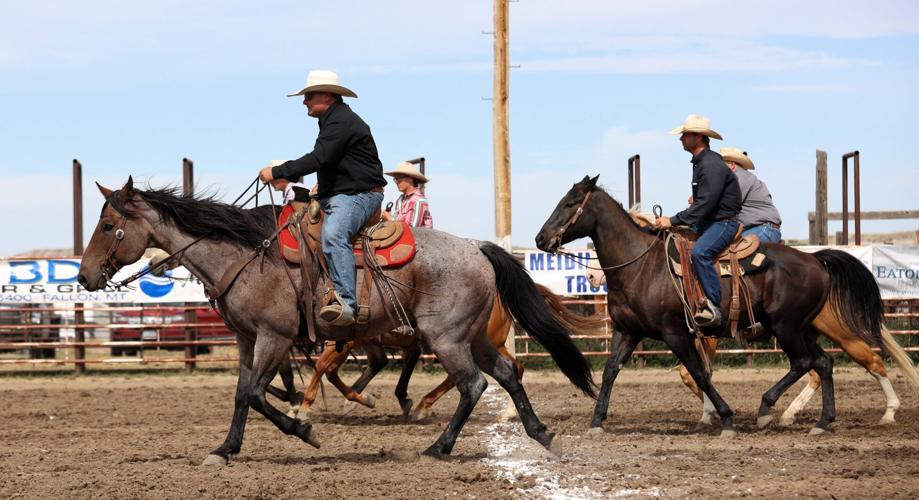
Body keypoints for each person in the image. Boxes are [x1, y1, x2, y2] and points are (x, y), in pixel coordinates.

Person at [258, 70, 386, 327]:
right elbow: (330, 161)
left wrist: (278, 171)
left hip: (357, 196)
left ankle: (347, 303)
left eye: (308, 96)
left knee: (334, 235)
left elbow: (319, 158)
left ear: (327, 96)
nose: (304, 101)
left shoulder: (340, 122)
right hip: (342, 195)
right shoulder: (334, 120)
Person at [656, 115, 742, 327]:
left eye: (685, 135)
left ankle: (714, 305)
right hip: (711, 221)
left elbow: (705, 204)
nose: (681, 139)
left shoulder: (710, 164)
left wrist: (673, 220)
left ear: (699, 137)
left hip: (723, 223)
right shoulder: (702, 162)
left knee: (700, 253)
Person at [719, 147, 782, 244]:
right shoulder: (747, 178)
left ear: (731, 164)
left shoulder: (739, 178)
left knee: (718, 247)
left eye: (721, 165)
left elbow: (726, 206)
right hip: (763, 228)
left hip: (762, 229)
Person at [384, 161, 433, 228]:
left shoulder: (419, 200)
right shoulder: (400, 200)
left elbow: (412, 228)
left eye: (399, 178)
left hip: (419, 238)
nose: (397, 182)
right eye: (396, 179)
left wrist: (389, 218)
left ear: (410, 179)